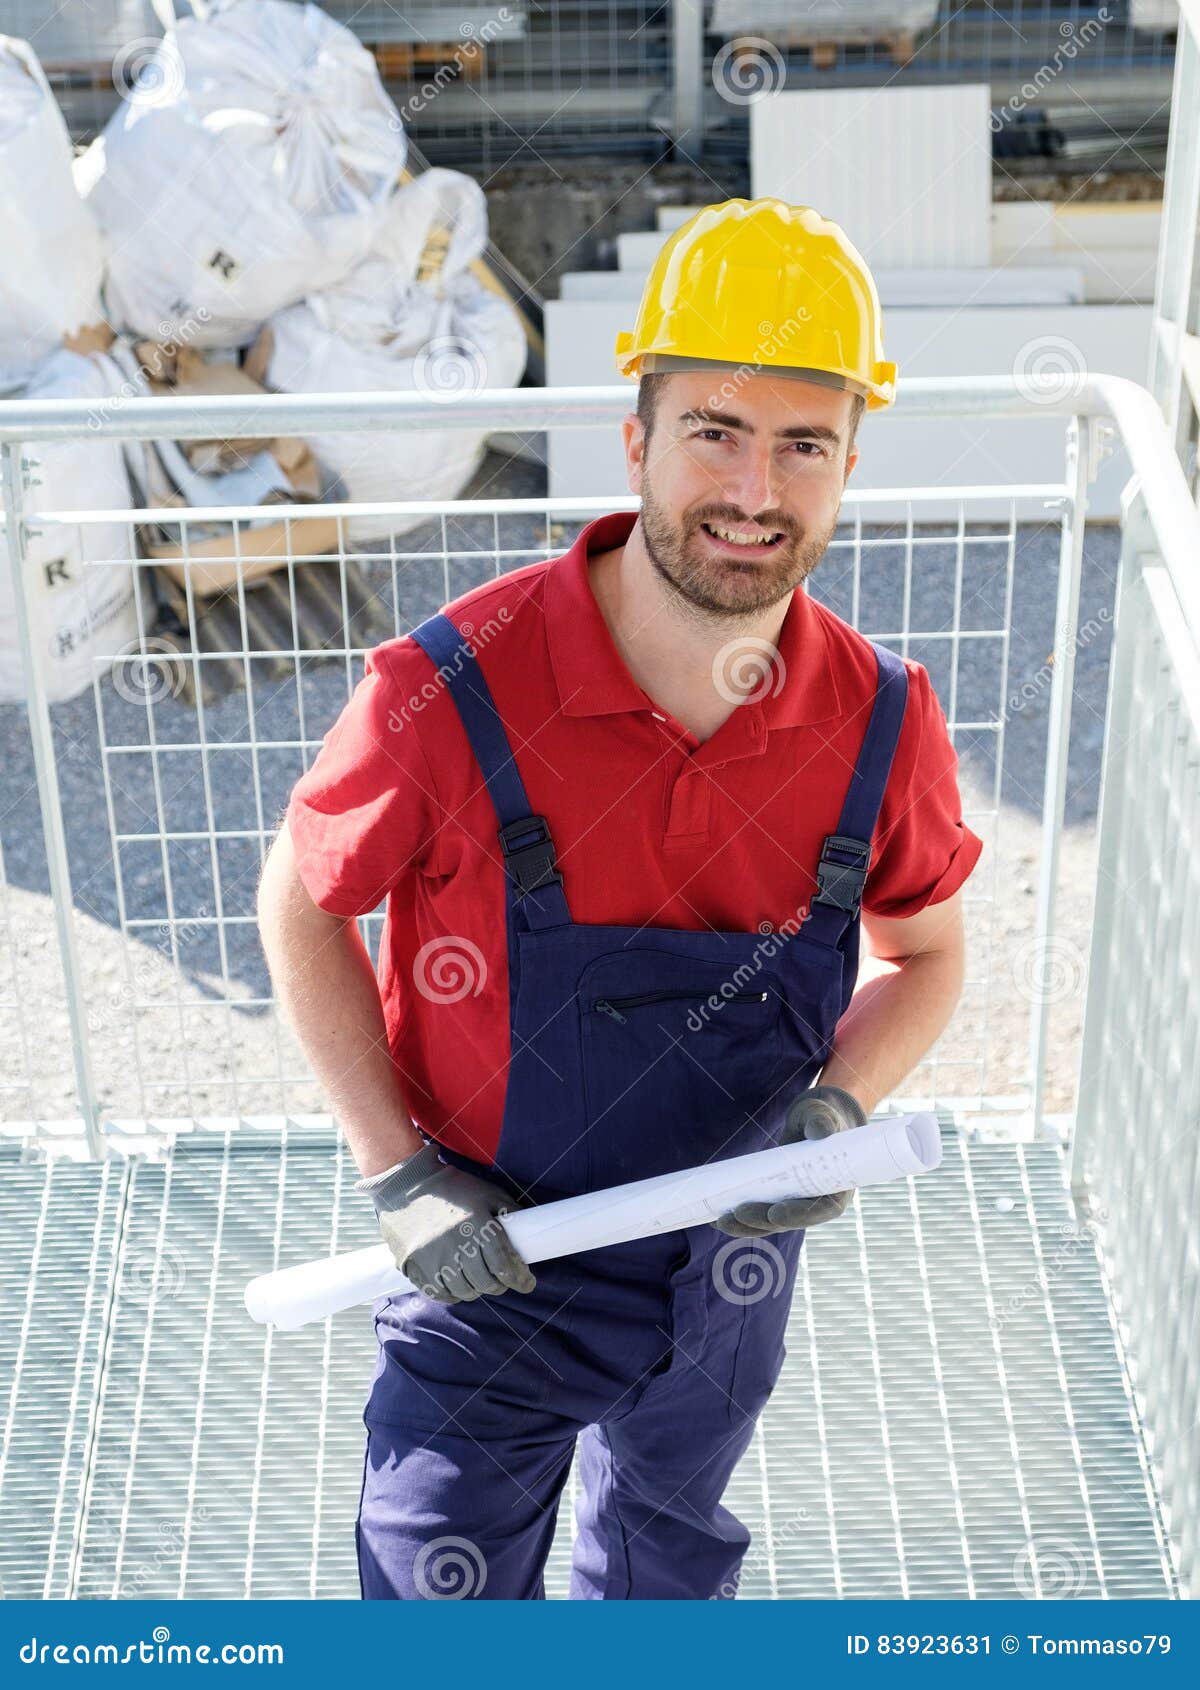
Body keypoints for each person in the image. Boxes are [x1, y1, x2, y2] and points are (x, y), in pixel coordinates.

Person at [257, 197, 984, 1601]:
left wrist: (838, 1110)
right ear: (635, 437)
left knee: (661, 1581)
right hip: (489, 1266)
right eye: (715, 429)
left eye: (804, 442)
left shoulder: (883, 720)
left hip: (729, 1273)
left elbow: (930, 956)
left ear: (850, 461)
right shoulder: (453, 688)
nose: (756, 489)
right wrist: (395, 1172)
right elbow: (303, 897)